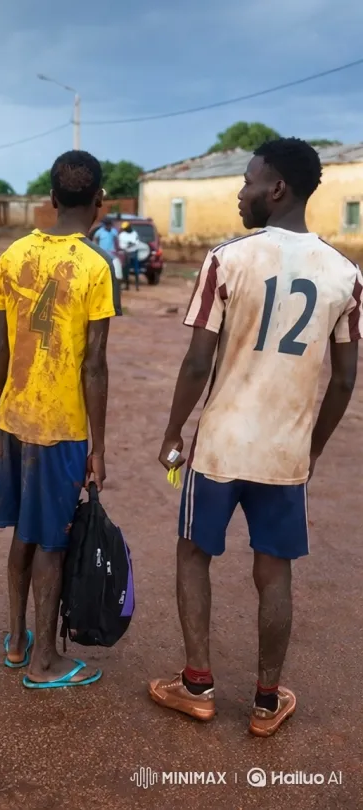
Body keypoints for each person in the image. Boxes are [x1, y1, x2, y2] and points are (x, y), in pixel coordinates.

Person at [150, 137, 363, 737]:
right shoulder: (345, 275)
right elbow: (345, 380)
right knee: (274, 571)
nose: (239, 192)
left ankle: (197, 686)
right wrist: (312, 450)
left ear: (277, 188)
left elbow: (197, 364)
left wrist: (172, 432)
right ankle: (267, 701)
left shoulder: (228, 259)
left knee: (194, 554)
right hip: (283, 453)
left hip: (220, 445)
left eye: (247, 181)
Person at [0, 150, 121, 688]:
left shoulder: (15, 253)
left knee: (23, 532)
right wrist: (99, 445)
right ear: (99, 202)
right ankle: (45, 662)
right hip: (61, 427)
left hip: (15, 417)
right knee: (51, 541)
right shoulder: (95, 267)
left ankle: (18, 641)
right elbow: (95, 365)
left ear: (49, 199)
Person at [94, 217, 122, 285]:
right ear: (104, 225)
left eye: (110, 225)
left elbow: (116, 242)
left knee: (115, 269)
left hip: (112, 254)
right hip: (102, 254)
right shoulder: (99, 232)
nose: (108, 226)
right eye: (107, 225)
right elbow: (95, 241)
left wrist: (118, 250)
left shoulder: (113, 231)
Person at [118, 221, 140, 290]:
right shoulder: (122, 235)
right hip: (126, 253)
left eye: (127, 228)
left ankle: (137, 286)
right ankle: (127, 285)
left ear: (129, 227)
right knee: (126, 270)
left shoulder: (135, 234)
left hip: (134, 253)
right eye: (125, 228)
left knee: (136, 269)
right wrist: (129, 244)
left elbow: (136, 242)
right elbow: (121, 245)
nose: (126, 229)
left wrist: (130, 244)